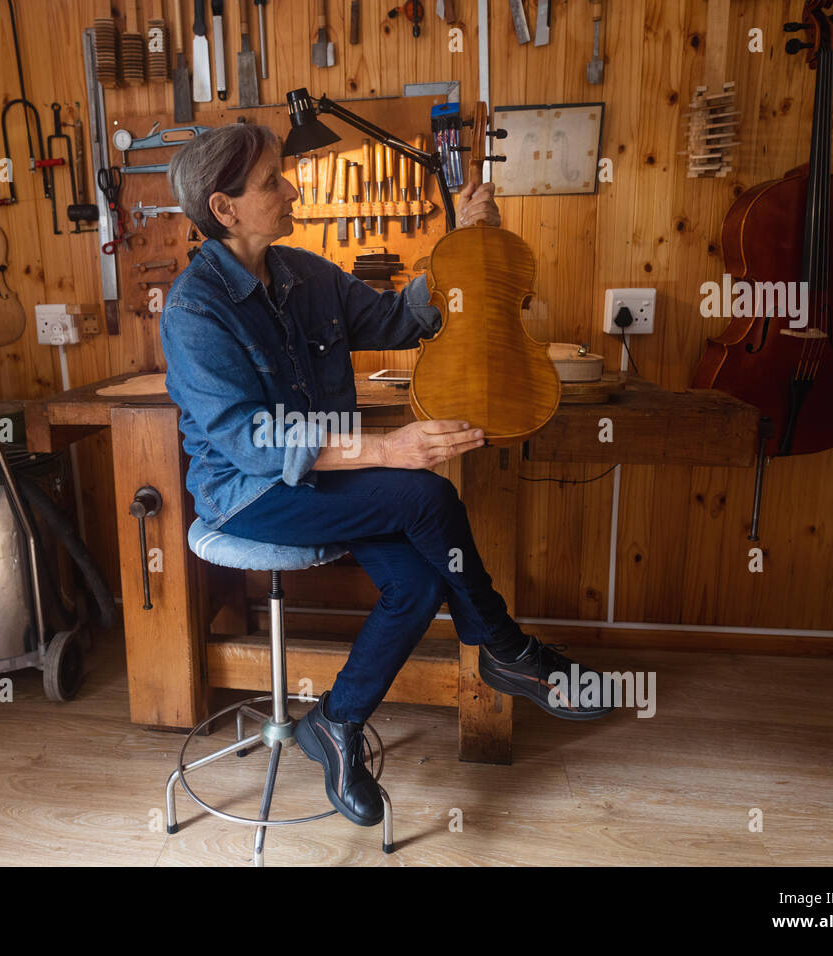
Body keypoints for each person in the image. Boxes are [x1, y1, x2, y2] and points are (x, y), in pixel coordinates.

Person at [161, 123, 611, 828]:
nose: (291, 189)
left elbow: (404, 321)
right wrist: (383, 448)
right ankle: (506, 649)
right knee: (425, 493)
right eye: (273, 181)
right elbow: (250, 440)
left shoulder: (305, 275)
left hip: (325, 482)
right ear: (225, 209)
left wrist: (466, 247)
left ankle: (336, 721)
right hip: (248, 495)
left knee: (420, 583)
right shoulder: (194, 309)